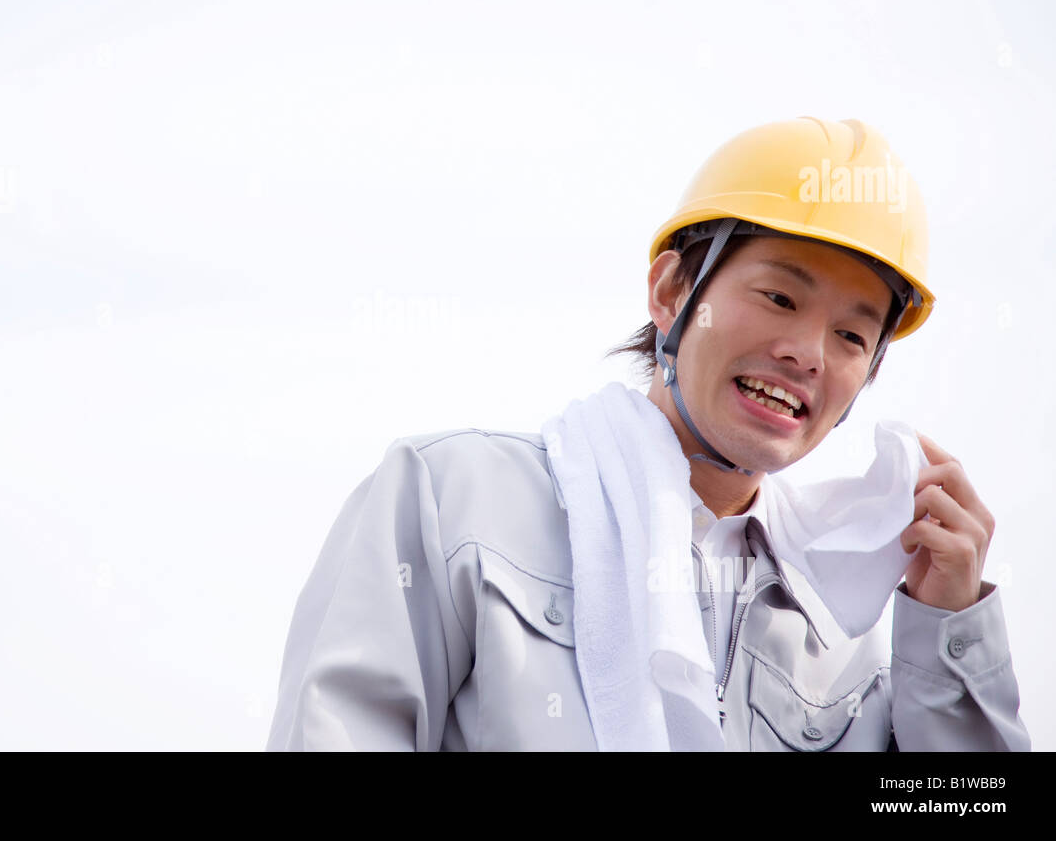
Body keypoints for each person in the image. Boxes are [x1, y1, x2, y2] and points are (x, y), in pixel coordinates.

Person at [265, 117, 1030, 751]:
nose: (808, 352)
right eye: (778, 296)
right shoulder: (453, 503)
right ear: (672, 293)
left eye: (853, 338)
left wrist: (948, 633)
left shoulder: (844, 631)